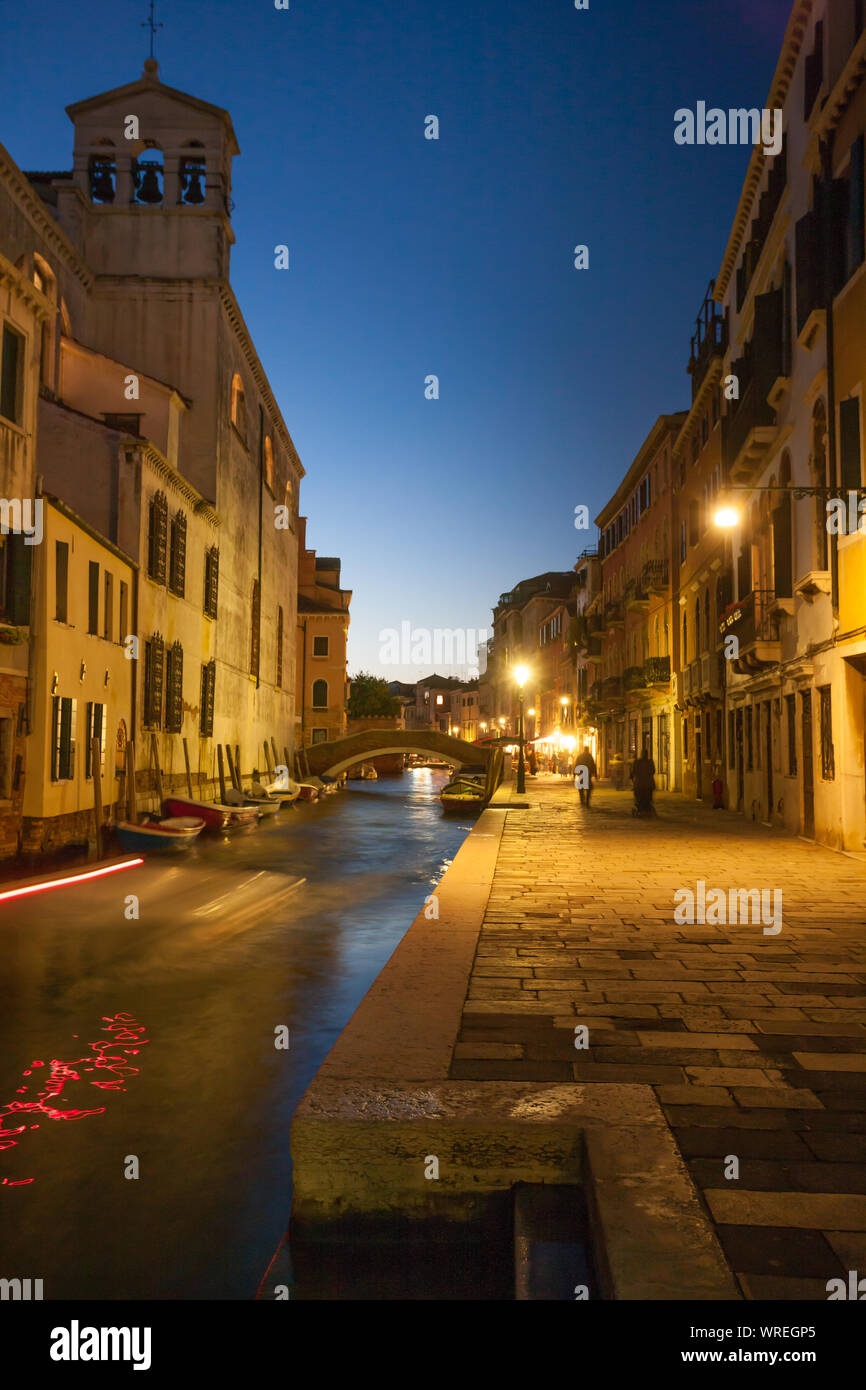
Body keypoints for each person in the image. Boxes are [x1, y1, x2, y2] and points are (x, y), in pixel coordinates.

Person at [629, 745, 656, 815]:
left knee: (639, 798)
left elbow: (633, 772)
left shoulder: (637, 762)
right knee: (648, 799)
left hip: (639, 785)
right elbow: (653, 771)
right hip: (648, 785)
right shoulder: (650, 762)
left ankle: (640, 808)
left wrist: (632, 778)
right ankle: (647, 808)